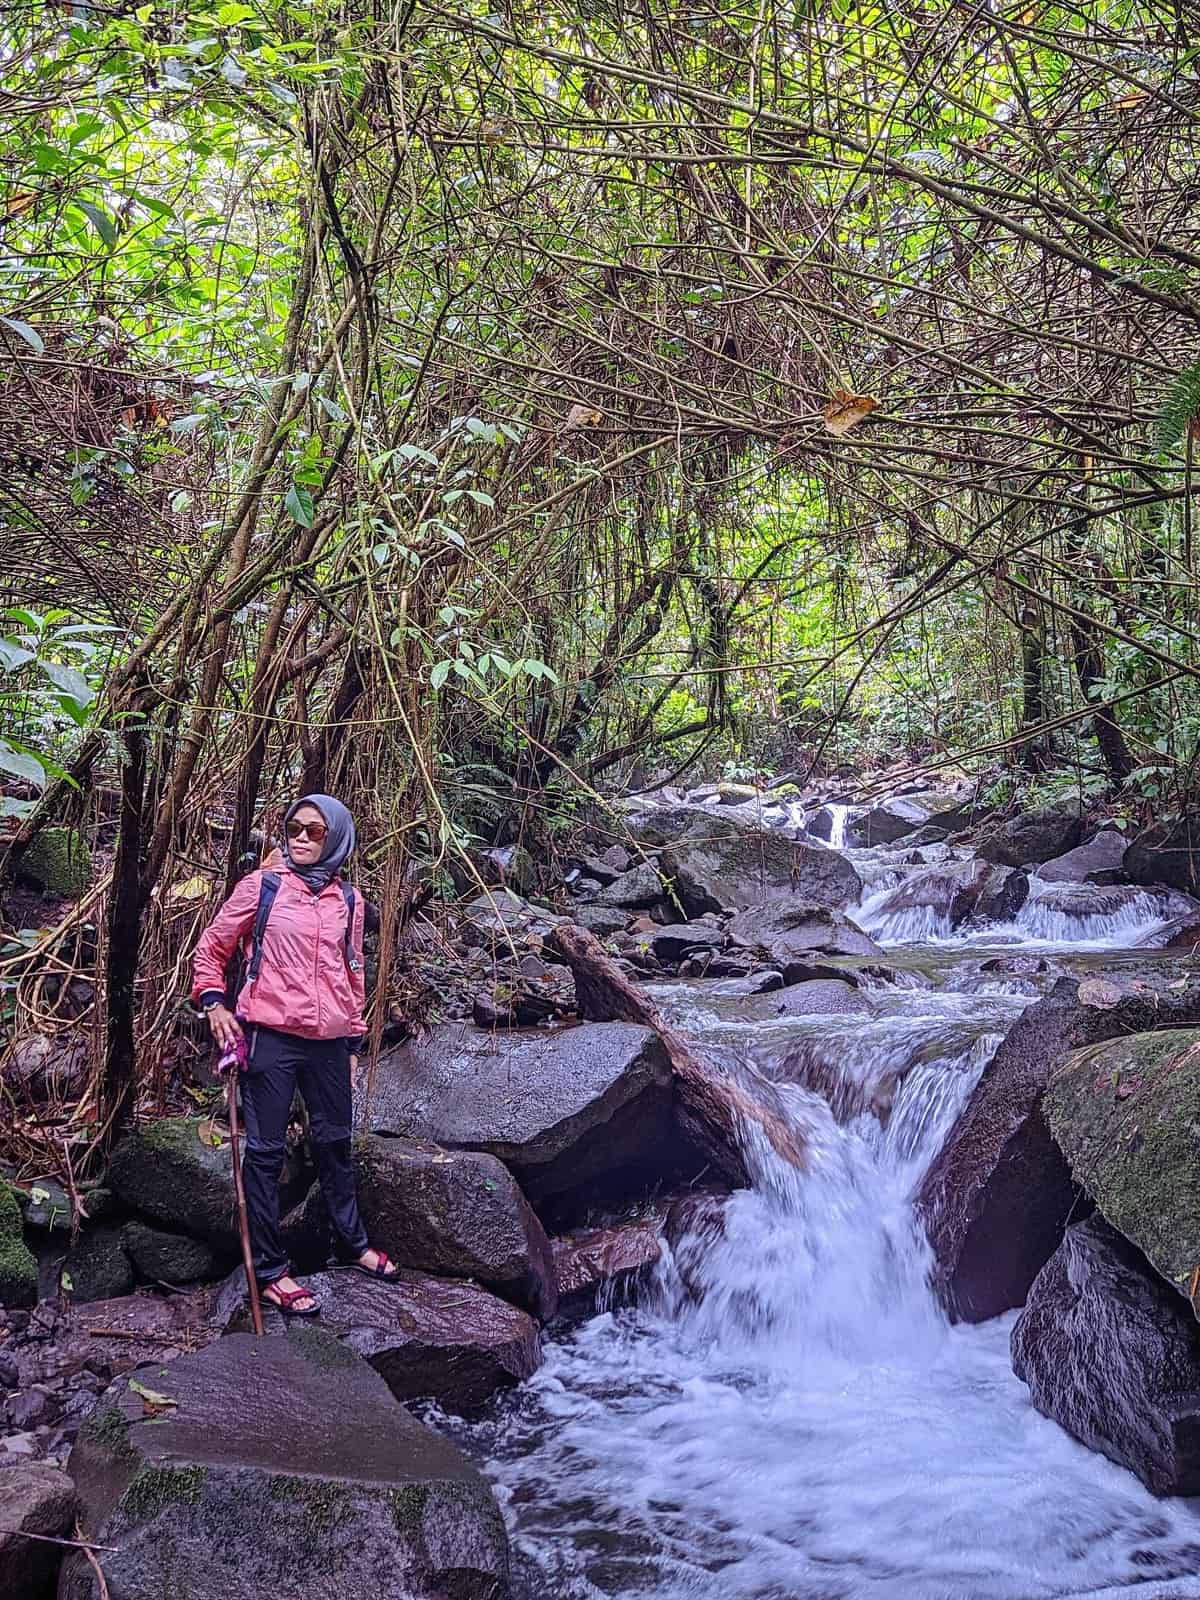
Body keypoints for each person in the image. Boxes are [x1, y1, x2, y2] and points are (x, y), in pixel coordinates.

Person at [191, 793, 397, 1316]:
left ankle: (352, 1245)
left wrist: (353, 1039)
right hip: (271, 1037)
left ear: (338, 842)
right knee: (264, 1154)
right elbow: (212, 948)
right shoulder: (261, 887)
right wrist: (214, 1004)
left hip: (328, 1044)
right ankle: (270, 1271)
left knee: (334, 1143)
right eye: (295, 829)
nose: (301, 839)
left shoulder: (349, 902)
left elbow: (351, 974)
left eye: (315, 832)